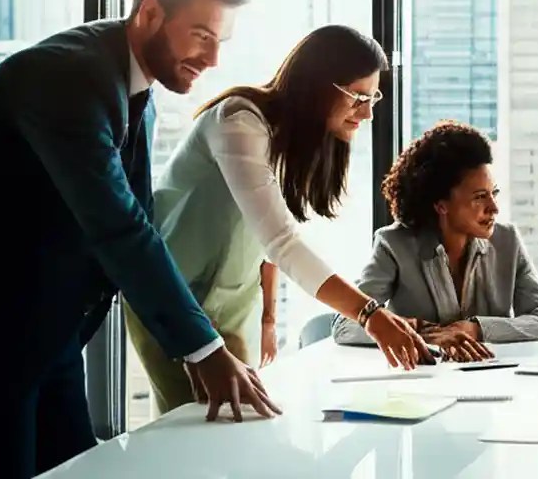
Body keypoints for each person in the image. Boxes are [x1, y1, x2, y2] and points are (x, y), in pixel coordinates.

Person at [0, 0, 281, 478]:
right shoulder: (71, 78)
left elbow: (140, 220)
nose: (212, 61)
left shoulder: (131, 83)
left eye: (221, 43)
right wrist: (204, 349)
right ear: (149, 13)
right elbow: (119, 225)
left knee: (78, 469)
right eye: (202, 36)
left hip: (49, 334)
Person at [125, 25, 431, 415]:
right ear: (319, 84)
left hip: (237, 302)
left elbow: (266, 238)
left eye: (373, 97)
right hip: (172, 297)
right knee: (192, 427)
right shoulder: (237, 122)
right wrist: (370, 314)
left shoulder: (292, 142)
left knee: (239, 422)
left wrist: (269, 317)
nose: (368, 112)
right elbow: (281, 241)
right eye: (357, 96)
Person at [333, 121, 538, 359]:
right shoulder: (394, 244)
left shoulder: (508, 242)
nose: (493, 208)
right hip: (417, 381)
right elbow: (344, 325)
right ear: (441, 205)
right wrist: (418, 330)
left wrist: (475, 328)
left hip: (493, 377)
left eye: (494, 193)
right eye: (480, 197)